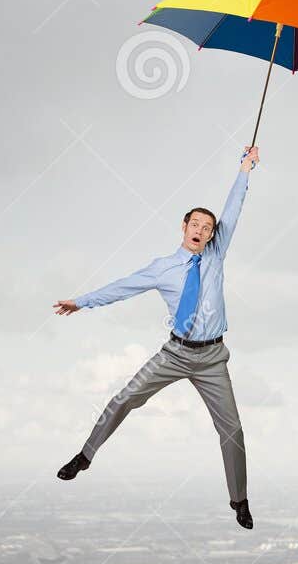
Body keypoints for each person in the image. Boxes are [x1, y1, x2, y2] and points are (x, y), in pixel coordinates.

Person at [52, 146, 261, 529]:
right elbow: (122, 287)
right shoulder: (162, 268)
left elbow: (233, 208)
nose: (201, 231)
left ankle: (240, 500)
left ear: (213, 235)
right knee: (124, 398)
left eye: (208, 228)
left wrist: (245, 169)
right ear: (183, 227)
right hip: (175, 354)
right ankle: (84, 456)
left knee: (232, 430)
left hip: (212, 359)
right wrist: (81, 302)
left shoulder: (216, 255)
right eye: (195, 224)